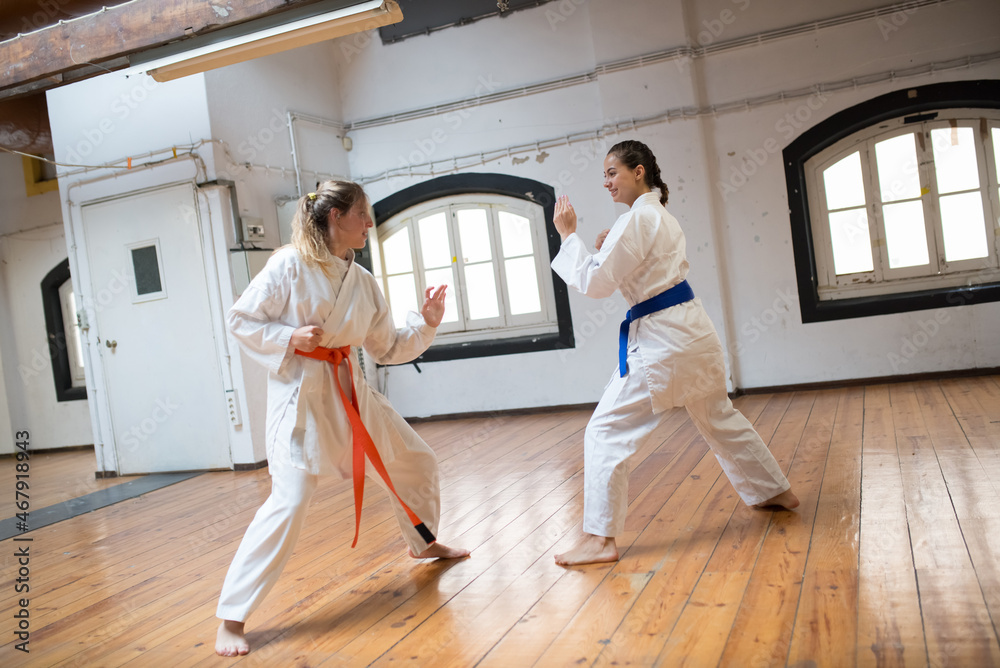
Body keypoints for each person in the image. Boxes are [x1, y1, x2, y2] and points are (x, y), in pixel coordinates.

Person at [215, 180, 469, 656]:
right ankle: (231, 617)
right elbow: (241, 320)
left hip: (351, 390)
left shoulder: (363, 281)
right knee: (289, 501)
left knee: (416, 460)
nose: (369, 225)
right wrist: (290, 338)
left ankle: (424, 541)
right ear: (335, 217)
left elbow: (388, 346)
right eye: (363, 215)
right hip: (300, 397)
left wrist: (428, 320)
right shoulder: (289, 264)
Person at [549, 139, 798, 567]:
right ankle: (775, 491)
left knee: (605, 432)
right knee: (718, 415)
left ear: (639, 171)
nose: (606, 181)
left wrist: (569, 237)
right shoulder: (659, 216)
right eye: (604, 175)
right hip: (695, 334)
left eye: (613, 173)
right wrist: (607, 244)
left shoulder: (636, 220)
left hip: (662, 343)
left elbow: (596, 285)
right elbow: (635, 262)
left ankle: (599, 539)